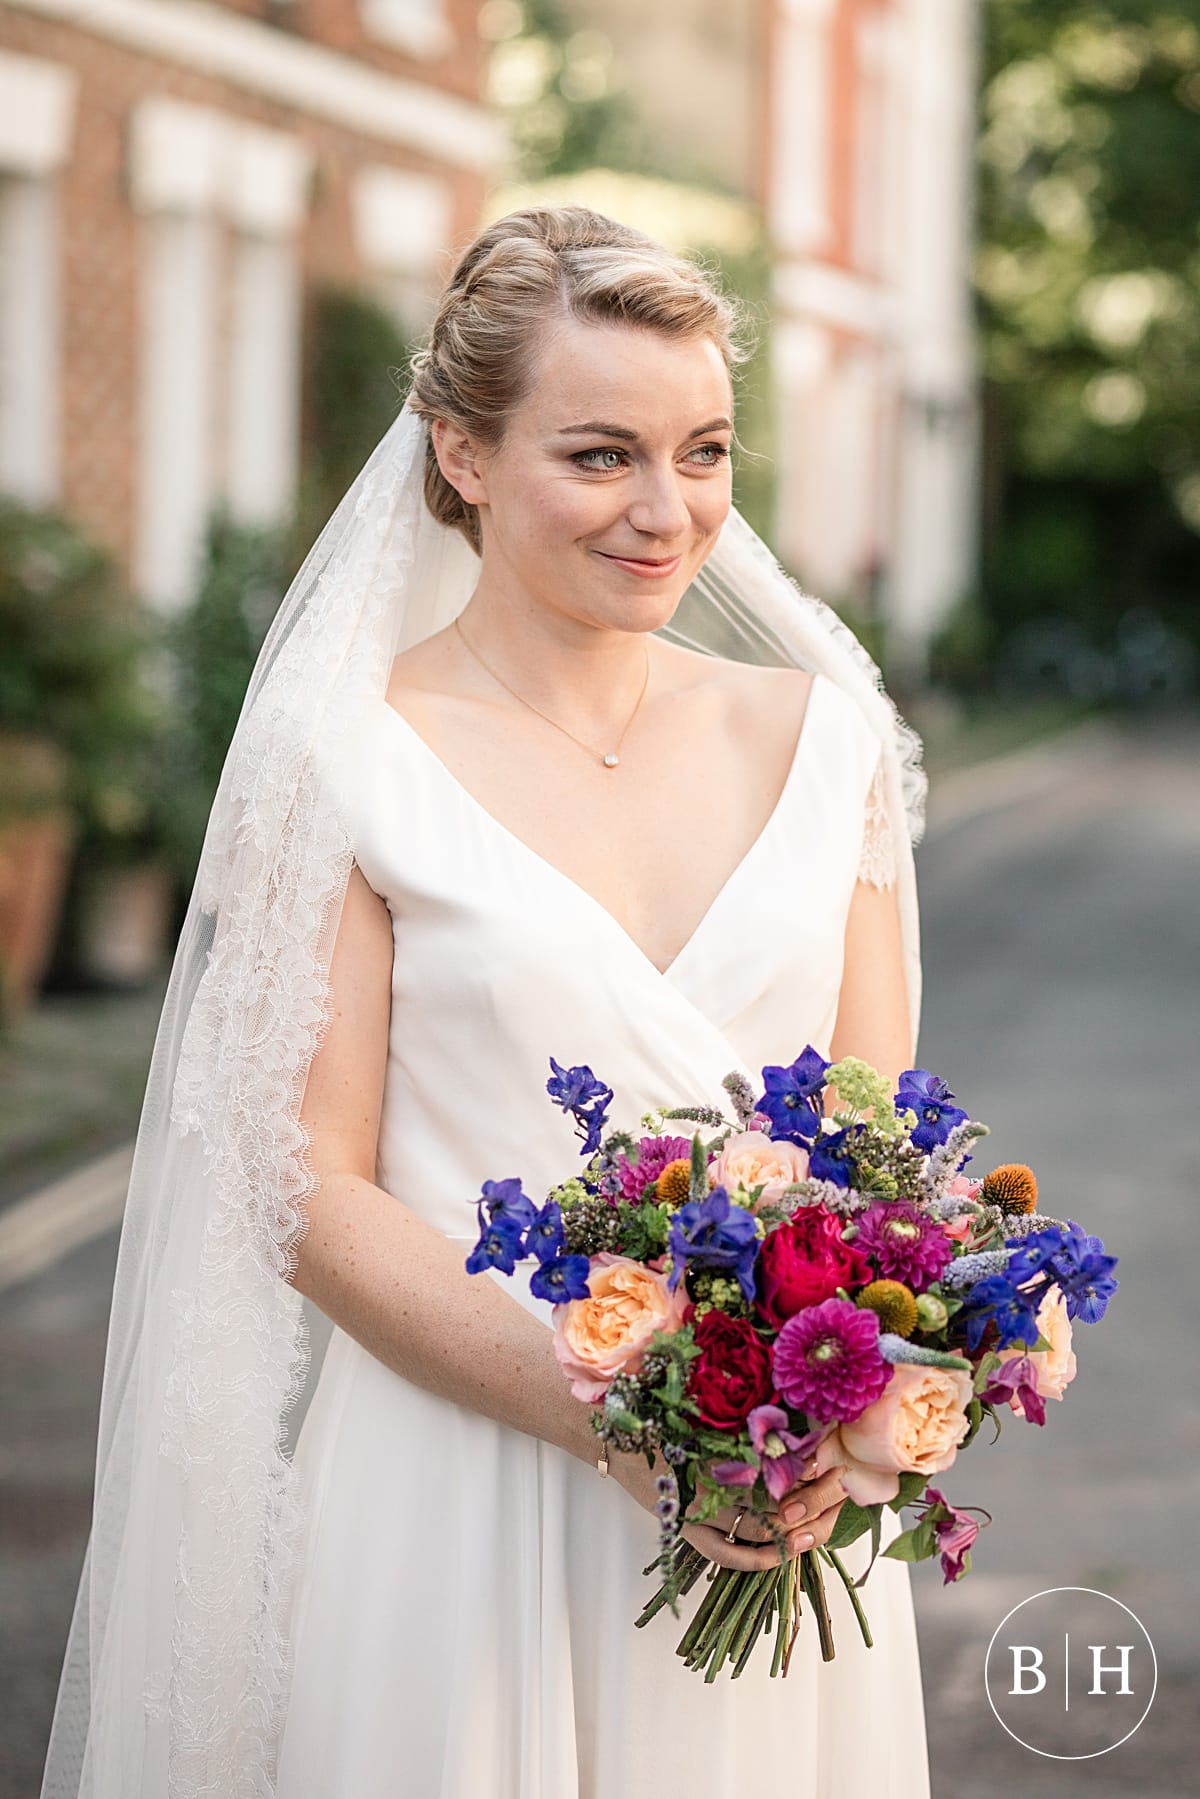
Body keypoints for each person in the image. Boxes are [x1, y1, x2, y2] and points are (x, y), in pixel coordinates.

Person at [40, 206, 930, 1798]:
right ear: (459, 452)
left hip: (778, 1509)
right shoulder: (345, 759)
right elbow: (302, 1183)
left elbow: (868, 1141)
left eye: (706, 451)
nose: (670, 514)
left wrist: (835, 1397)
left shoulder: (827, 738)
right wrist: (616, 1418)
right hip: (459, 1497)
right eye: (601, 457)